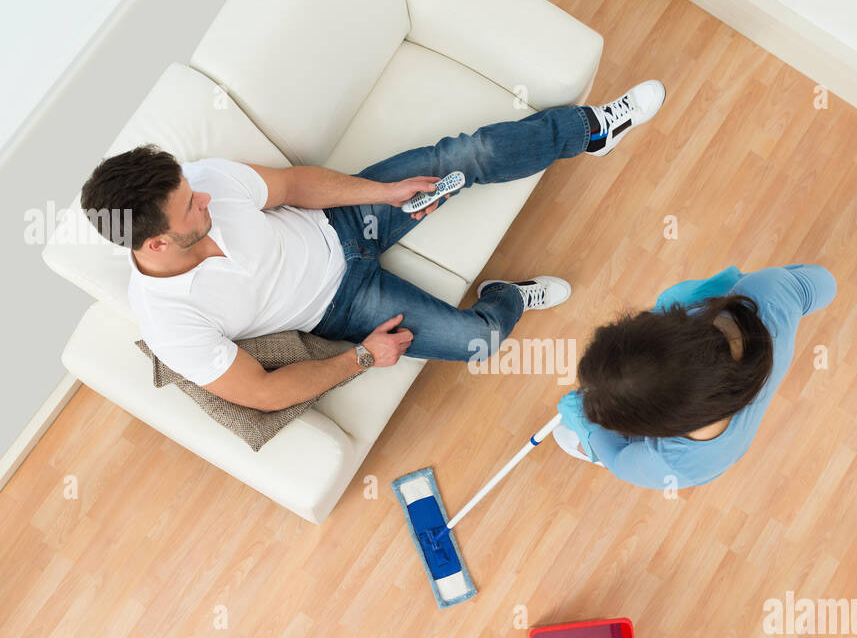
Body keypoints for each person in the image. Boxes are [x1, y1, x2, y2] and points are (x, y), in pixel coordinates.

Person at [78, 81, 667, 412]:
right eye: (191, 208)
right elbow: (259, 391)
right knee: (478, 340)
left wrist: (382, 192)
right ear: (156, 242)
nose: (204, 198)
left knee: (468, 157)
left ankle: (590, 129)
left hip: (345, 220)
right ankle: (506, 295)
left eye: (194, 190)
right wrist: (362, 357)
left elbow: (292, 185)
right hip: (344, 308)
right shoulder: (169, 320)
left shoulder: (203, 181)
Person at [554, 264, 836, 489]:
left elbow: (617, 460)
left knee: (570, 434)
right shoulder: (769, 291)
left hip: (695, 460)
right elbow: (825, 283)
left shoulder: (674, 465)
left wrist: (589, 430)